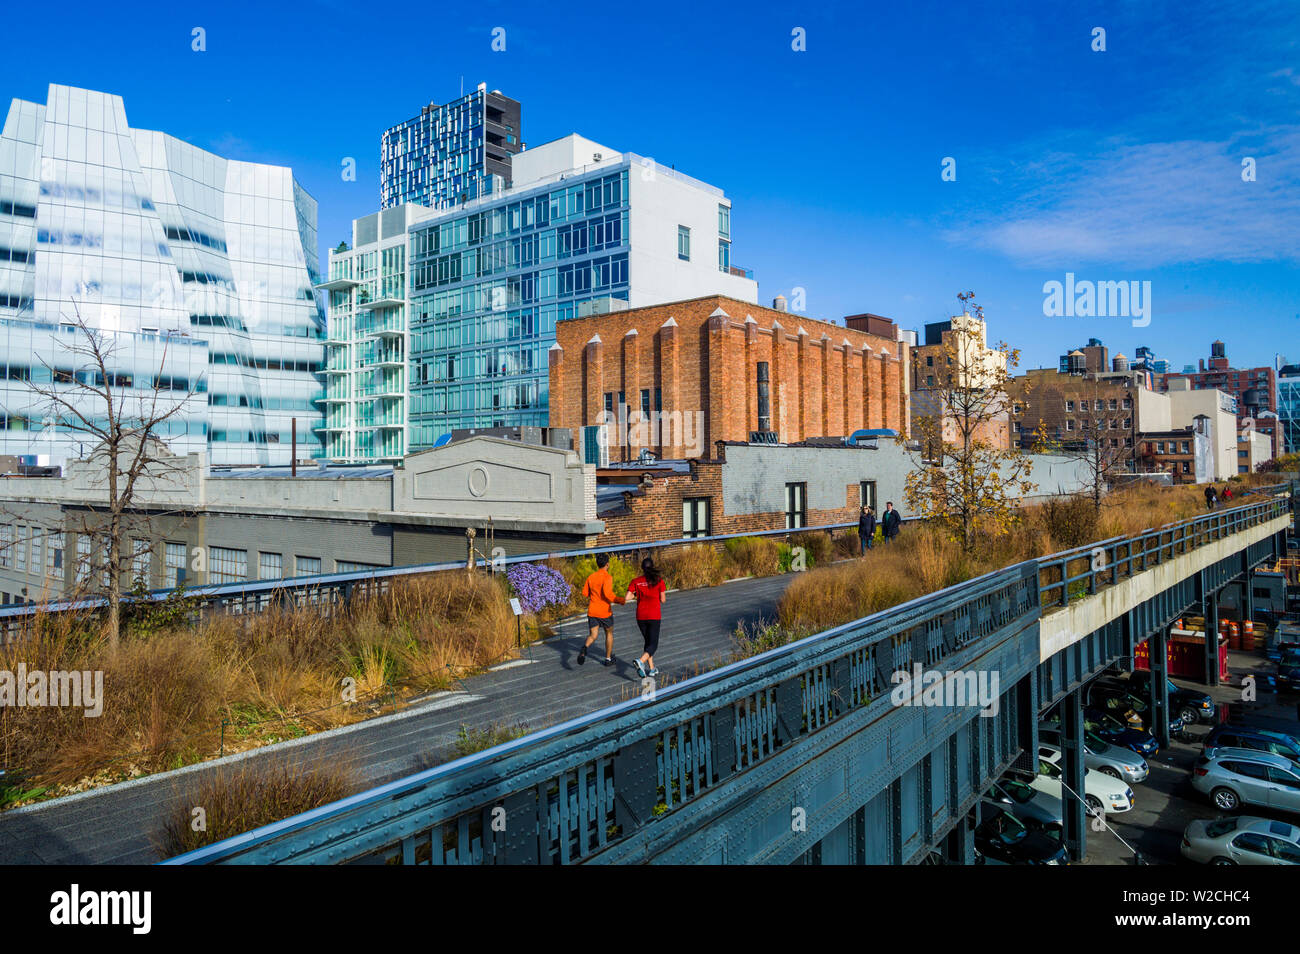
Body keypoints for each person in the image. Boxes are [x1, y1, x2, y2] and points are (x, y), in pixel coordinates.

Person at [578, 552, 626, 667]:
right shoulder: (607, 577)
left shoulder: (591, 577)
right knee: (609, 633)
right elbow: (608, 595)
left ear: (597, 564)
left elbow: (585, 593)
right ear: (607, 565)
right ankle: (608, 659)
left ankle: (584, 648)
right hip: (604, 612)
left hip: (592, 610)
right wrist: (621, 600)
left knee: (593, 635)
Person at [628, 557, 667, 679]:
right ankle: (640, 661)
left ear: (642, 568)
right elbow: (663, 600)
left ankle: (651, 669)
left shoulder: (636, 581)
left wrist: (636, 594)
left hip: (641, 616)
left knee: (648, 642)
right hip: (654, 616)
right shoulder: (659, 581)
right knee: (653, 645)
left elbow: (628, 597)